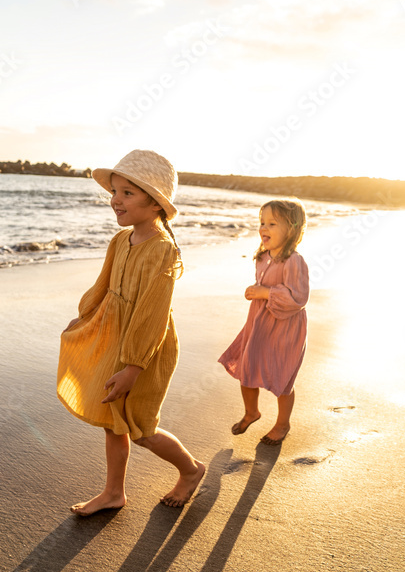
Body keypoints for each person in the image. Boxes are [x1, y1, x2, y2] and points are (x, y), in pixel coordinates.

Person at [57, 149, 205, 516]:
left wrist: (133, 367)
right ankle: (113, 493)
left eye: (127, 193)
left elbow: (152, 315)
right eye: (115, 191)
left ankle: (190, 470)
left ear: (155, 204)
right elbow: (103, 287)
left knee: (141, 428)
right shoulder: (119, 241)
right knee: (112, 423)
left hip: (145, 350)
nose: (115, 200)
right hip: (114, 339)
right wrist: (84, 317)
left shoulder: (163, 251)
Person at [218, 198, 309, 446]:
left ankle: (282, 424)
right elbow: (262, 285)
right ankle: (251, 412)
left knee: (283, 377)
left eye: (272, 223)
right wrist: (255, 290)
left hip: (285, 328)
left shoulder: (294, 261)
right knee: (246, 367)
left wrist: (265, 293)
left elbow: (298, 298)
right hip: (259, 324)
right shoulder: (263, 256)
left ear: (291, 229)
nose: (264, 228)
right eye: (262, 222)